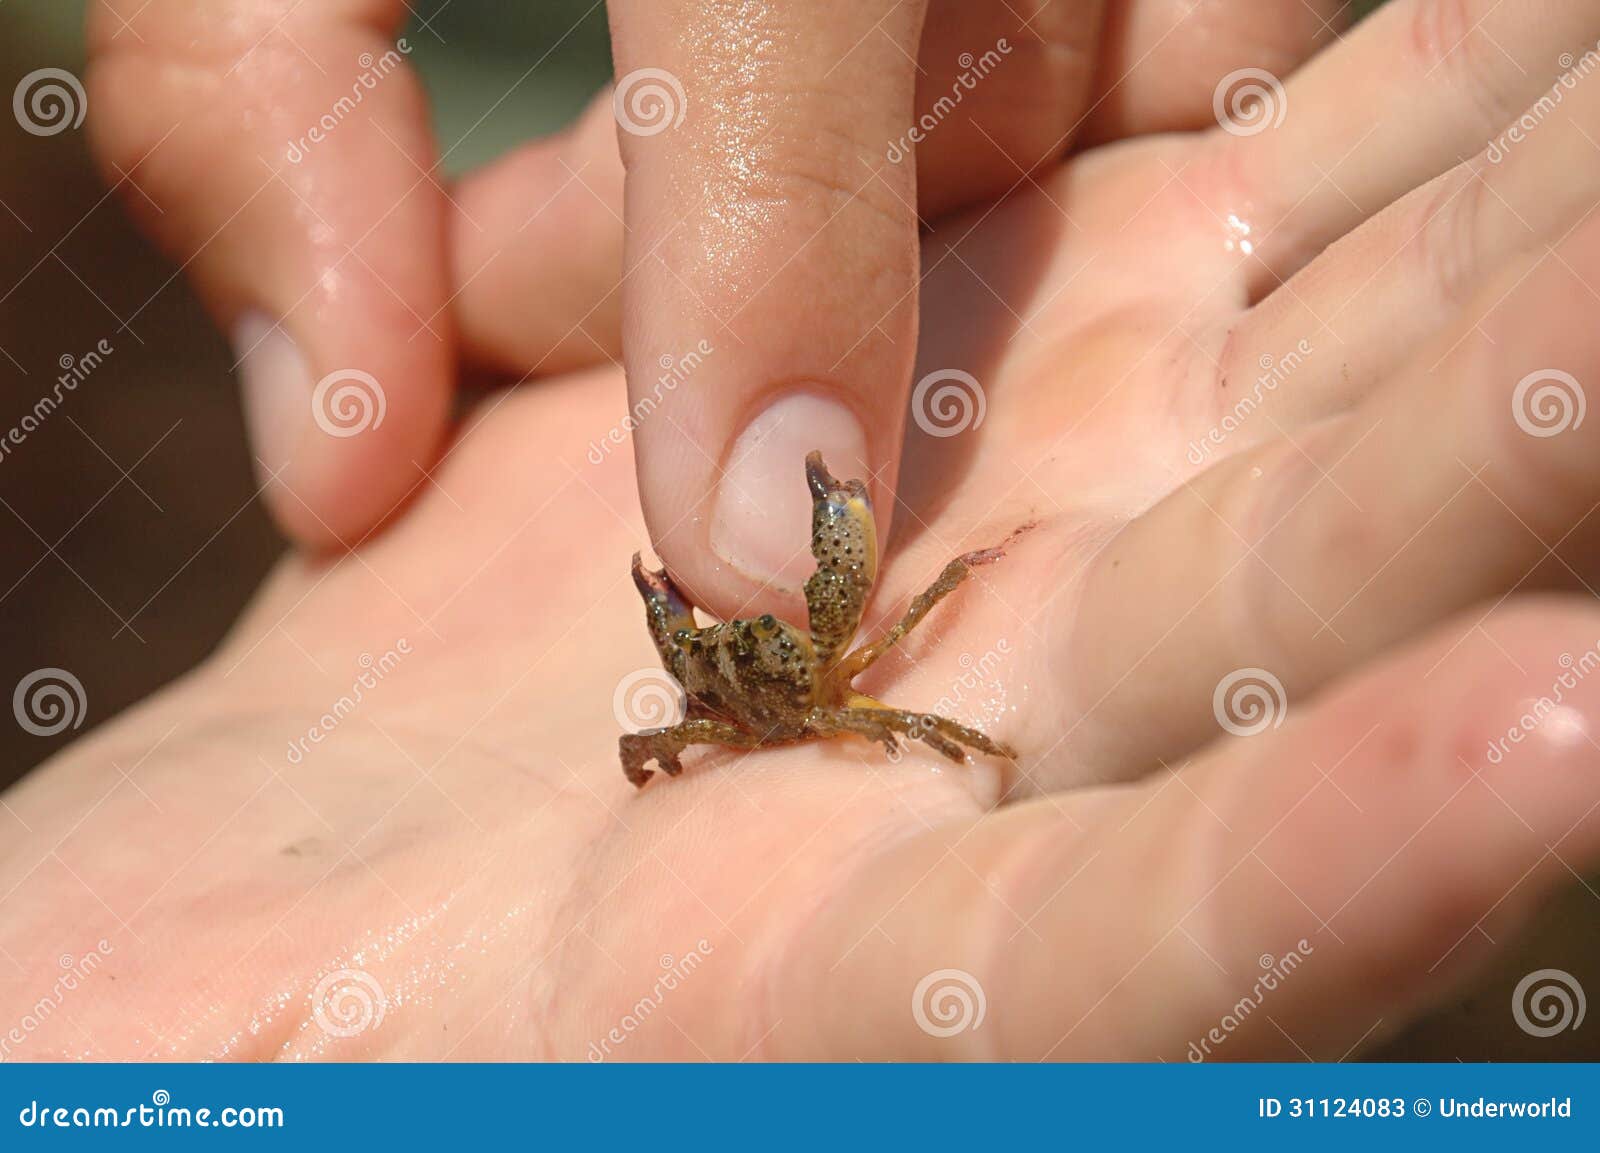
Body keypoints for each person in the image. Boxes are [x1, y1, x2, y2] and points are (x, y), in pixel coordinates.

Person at [3, 0, 1597, 1058]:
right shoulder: (752, 690)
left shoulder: (792, 678)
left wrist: (943, 620)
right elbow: (691, 726)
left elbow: (877, 659)